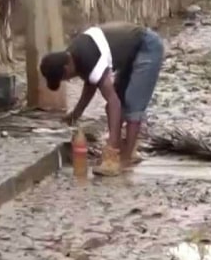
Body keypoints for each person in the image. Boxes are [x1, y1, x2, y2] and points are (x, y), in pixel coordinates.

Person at [39, 22, 166, 177]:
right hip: (131, 50)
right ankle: (120, 150)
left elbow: (113, 102)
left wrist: (110, 148)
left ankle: (123, 159)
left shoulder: (87, 57)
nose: (69, 80)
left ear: (66, 68)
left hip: (147, 47)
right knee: (115, 105)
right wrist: (75, 114)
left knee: (132, 104)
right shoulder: (73, 56)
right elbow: (91, 84)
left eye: (65, 78)